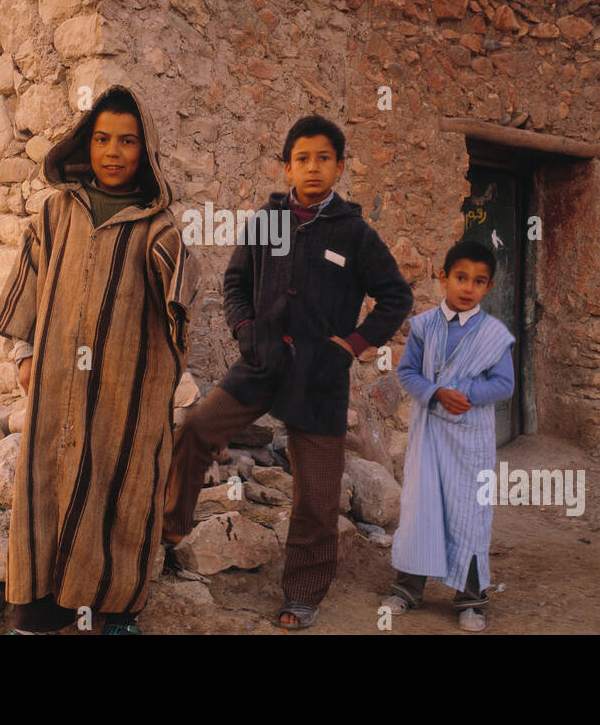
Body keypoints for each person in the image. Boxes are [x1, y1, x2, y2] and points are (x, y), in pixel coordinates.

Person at [162, 114, 413, 630]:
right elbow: (235, 282)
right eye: (302, 159)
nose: (313, 167)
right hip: (260, 363)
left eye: (324, 158)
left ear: (340, 167)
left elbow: (396, 297)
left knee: (318, 498)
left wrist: (352, 345)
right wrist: (246, 330)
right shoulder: (269, 221)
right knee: (195, 430)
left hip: (320, 377)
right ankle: (169, 532)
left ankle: (302, 593)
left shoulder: (355, 233)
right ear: (286, 168)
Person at [0, 85, 198, 635]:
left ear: (144, 151)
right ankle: (37, 612)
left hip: (124, 392)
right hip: (56, 382)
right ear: (86, 145)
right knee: (47, 485)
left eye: (127, 141)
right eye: (102, 138)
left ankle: (116, 610)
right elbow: (28, 281)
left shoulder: (158, 225)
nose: (112, 151)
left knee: (123, 488)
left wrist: (175, 263)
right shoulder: (57, 212)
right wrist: (25, 354)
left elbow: (181, 300)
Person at [384, 239, 516, 631]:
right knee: (420, 506)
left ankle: (470, 600)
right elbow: (407, 373)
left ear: (488, 288)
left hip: (472, 438)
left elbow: (504, 383)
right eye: (460, 277)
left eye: (478, 281)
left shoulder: (494, 335)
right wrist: (435, 392)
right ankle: (408, 588)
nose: (467, 288)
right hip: (429, 433)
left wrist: (469, 395)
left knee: (470, 515)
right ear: (443, 277)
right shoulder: (423, 326)